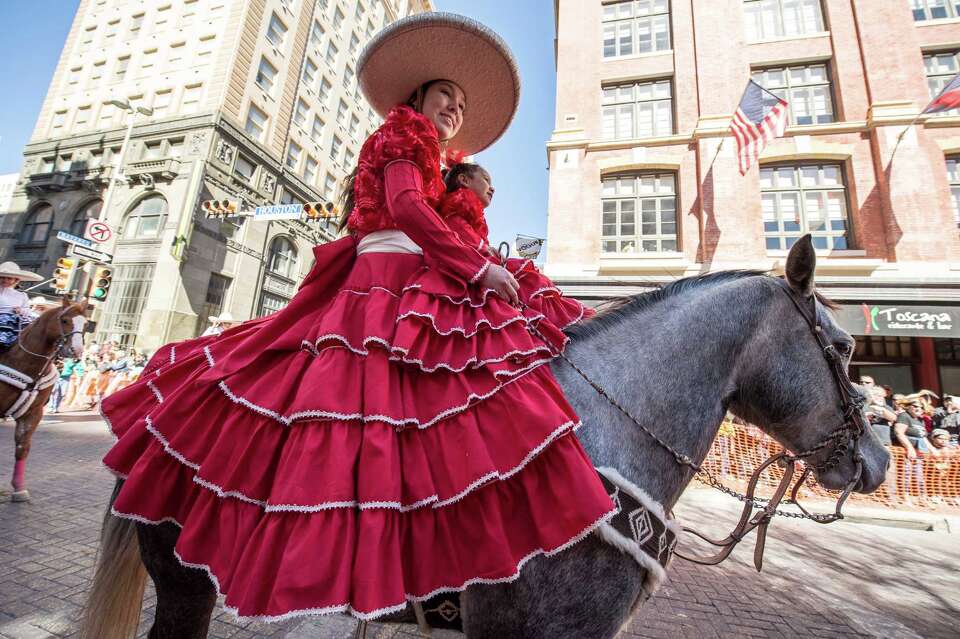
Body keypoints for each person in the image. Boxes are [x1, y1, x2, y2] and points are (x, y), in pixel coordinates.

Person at [100, 13, 615, 622]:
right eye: (445, 94)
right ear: (417, 95)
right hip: (381, 283)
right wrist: (477, 270)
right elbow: (402, 207)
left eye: (462, 102)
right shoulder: (403, 134)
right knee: (364, 412)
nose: (455, 106)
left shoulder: (438, 158)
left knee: (443, 403)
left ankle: (430, 565)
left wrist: (471, 220)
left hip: (417, 277)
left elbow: (442, 223)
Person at [438, 159, 593, 331]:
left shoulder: (468, 215)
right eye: (486, 179)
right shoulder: (454, 210)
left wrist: (488, 250)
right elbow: (460, 237)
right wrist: (486, 249)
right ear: (464, 180)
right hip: (465, 283)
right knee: (527, 279)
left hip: (476, 276)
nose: (493, 188)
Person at [894, 401, 932, 505]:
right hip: (905, 452)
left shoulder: (920, 421)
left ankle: (922, 498)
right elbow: (899, 432)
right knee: (906, 475)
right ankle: (905, 497)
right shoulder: (904, 416)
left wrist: (933, 450)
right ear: (909, 406)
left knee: (919, 476)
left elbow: (923, 438)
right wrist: (909, 448)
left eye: (921, 407)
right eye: (915, 406)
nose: (918, 408)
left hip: (918, 453)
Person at [0, 262, 44, 349]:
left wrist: (21, 311)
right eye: (2, 277)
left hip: (16, 321)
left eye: (9, 278)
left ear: (16, 280)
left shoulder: (21, 295)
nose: (5, 280)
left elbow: (27, 311)